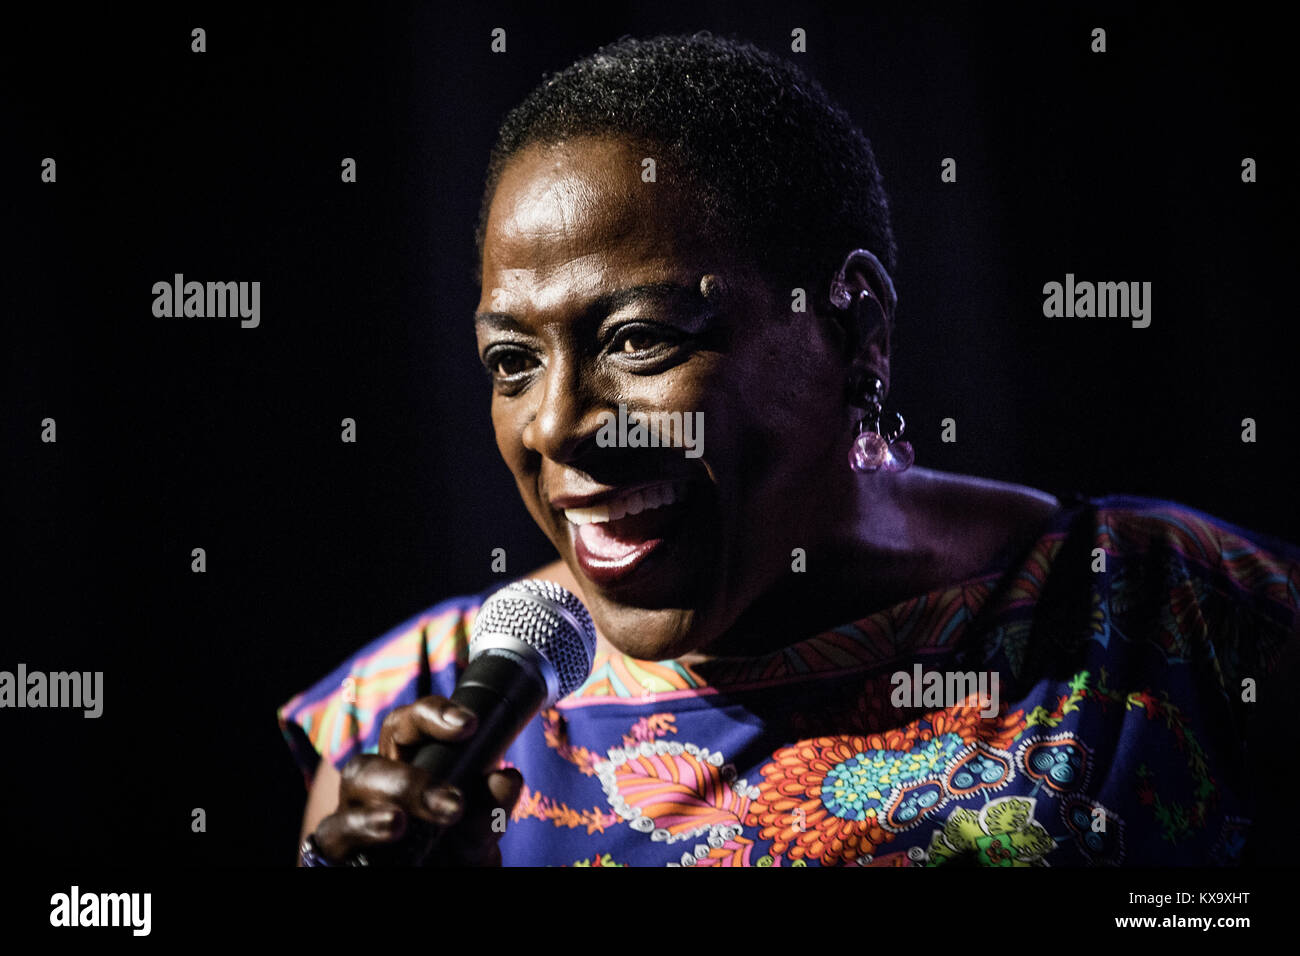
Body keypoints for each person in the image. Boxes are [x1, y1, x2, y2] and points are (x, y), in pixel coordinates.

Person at [279, 32, 1300, 867]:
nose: (552, 424)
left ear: (852, 330)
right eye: (511, 358)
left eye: (639, 338)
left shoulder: (1181, 615)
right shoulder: (410, 712)